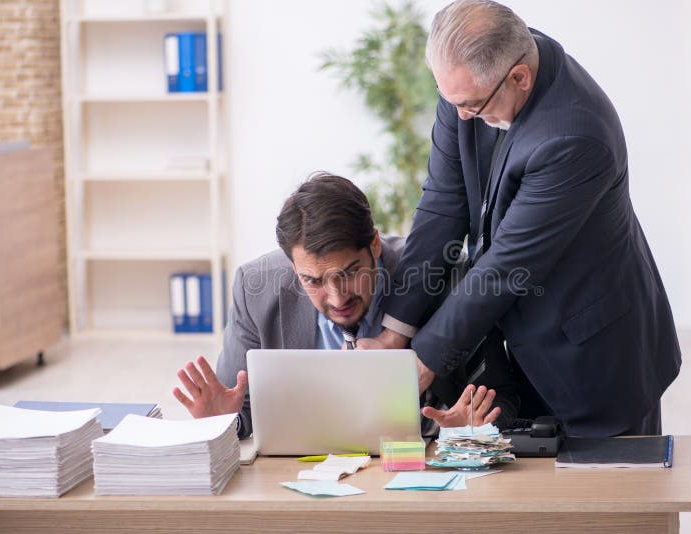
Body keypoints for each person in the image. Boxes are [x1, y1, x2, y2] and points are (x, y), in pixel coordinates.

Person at [360, 0, 682, 437]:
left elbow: (506, 265)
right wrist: (393, 333)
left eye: (471, 105)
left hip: (595, 354)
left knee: (609, 501)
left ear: (519, 78)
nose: (459, 117)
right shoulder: (469, 81)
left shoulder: (575, 136)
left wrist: (422, 362)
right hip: (521, 350)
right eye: (449, 99)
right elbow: (442, 204)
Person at [173, 172, 519, 438]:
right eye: (313, 280)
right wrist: (221, 425)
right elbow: (241, 414)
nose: (337, 298)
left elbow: (506, 400)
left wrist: (474, 427)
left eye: (350, 273)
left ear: (375, 244)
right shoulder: (255, 288)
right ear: (292, 267)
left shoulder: (445, 279)